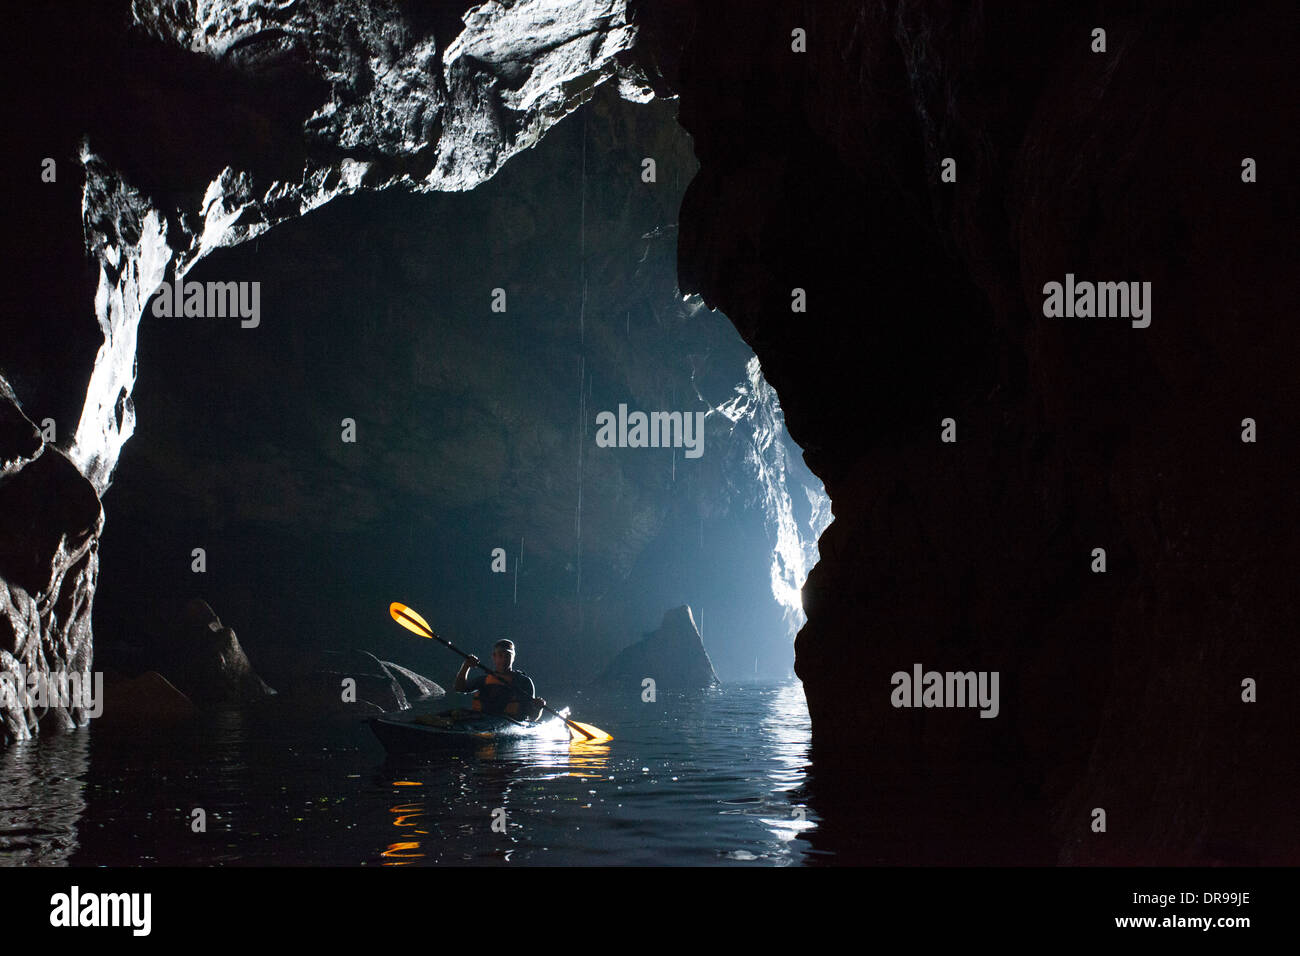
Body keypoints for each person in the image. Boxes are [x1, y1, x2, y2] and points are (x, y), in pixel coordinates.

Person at [453, 639, 546, 721]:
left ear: (513, 657)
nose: (504, 659)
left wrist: (538, 708)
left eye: (508, 655)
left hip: (510, 724)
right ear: (494, 656)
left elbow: (532, 717)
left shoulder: (523, 682)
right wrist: (466, 666)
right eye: (500, 655)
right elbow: (459, 688)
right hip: (482, 721)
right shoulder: (484, 680)